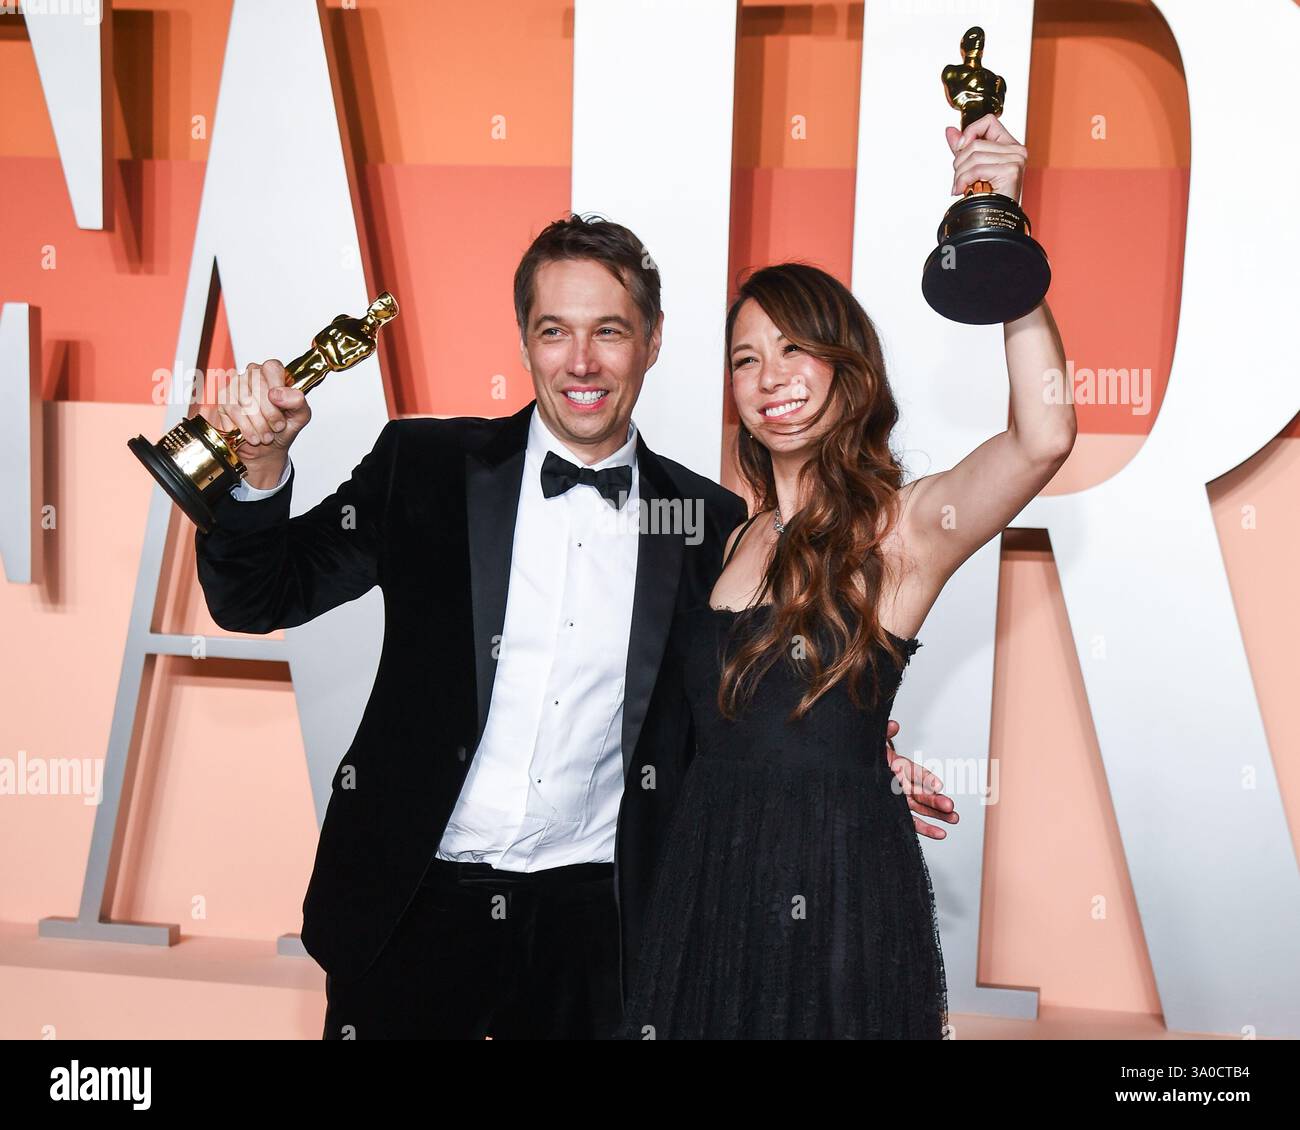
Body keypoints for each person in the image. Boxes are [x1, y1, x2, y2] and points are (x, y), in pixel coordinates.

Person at [193, 214, 958, 1040]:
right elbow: (257, 597)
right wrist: (260, 474)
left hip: (601, 926)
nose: (582, 362)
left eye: (610, 331)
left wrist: (846, 752)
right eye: (555, 331)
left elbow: (736, 692)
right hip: (412, 906)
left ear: (654, 342)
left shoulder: (709, 523)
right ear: (524, 340)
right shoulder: (426, 468)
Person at [616, 114, 1075, 1039]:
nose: (768, 375)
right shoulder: (724, 536)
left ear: (846, 367)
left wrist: (1004, 234)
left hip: (834, 887)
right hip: (707, 882)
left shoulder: (904, 528)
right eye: (747, 357)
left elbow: (1045, 435)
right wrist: (867, 747)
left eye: (795, 349)